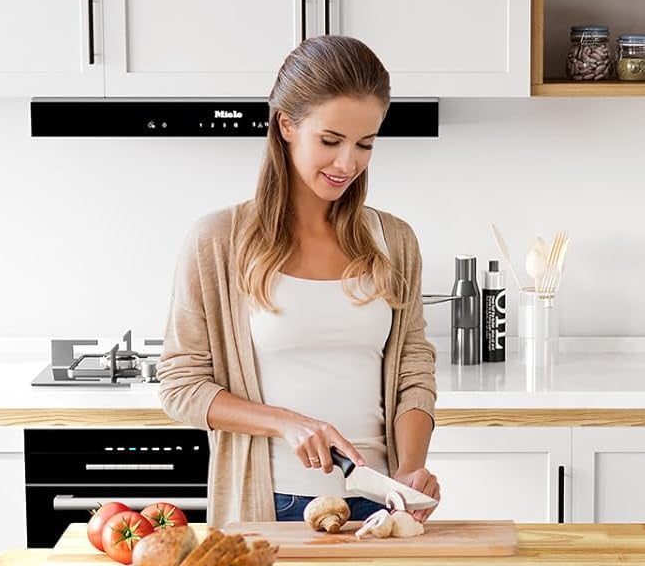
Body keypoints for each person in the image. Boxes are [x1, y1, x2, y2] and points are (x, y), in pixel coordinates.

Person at [157, 35, 439, 524]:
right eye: (330, 140)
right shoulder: (219, 241)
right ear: (286, 125)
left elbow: (414, 368)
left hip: (380, 505)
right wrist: (288, 424)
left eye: (365, 143)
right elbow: (181, 386)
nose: (347, 162)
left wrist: (412, 470)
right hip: (271, 504)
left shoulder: (394, 240)